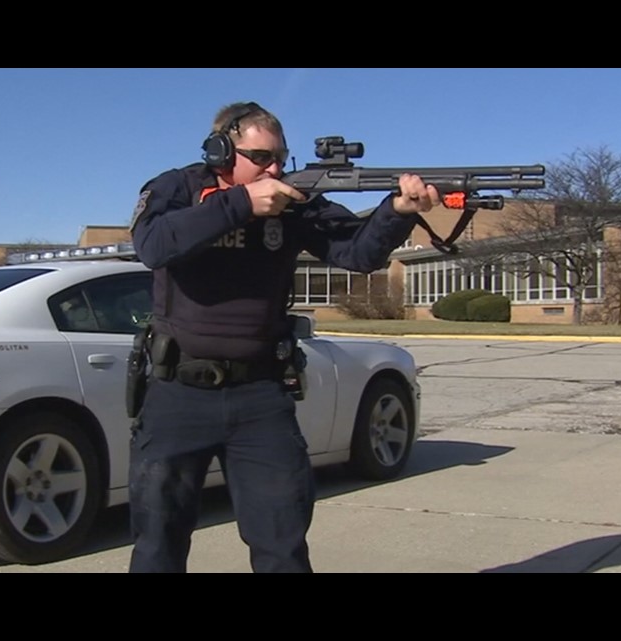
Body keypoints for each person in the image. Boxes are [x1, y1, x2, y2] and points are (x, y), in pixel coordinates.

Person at [126, 101, 441, 573]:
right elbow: (152, 246)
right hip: (178, 394)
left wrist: (398, 211)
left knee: (283, 545)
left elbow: (356, 251)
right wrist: (241, 204)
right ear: (221, 151)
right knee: (158, 545)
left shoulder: (292, 201)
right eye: (260, 157)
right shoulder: (178, 187)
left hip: (260, 397)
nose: (273, 169)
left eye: (280, 157)